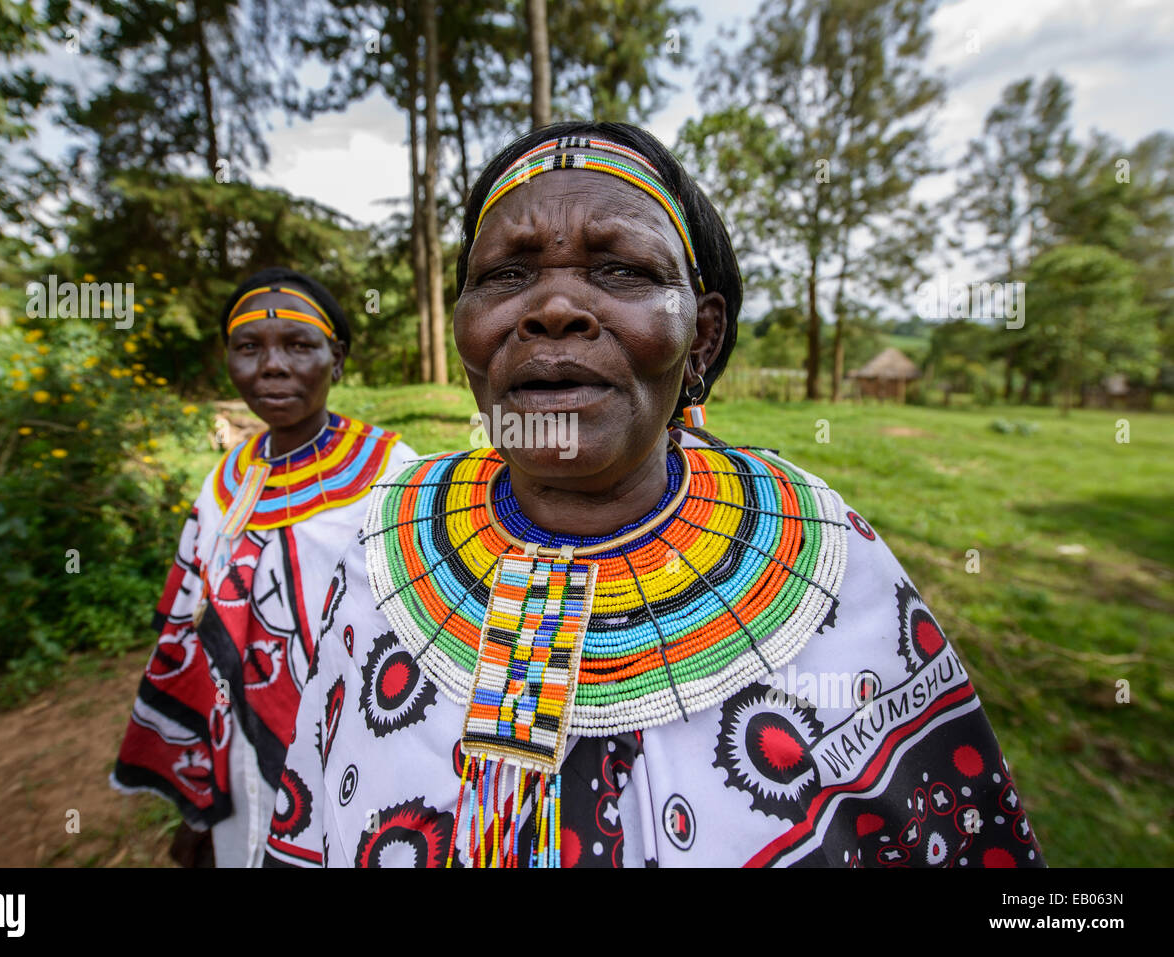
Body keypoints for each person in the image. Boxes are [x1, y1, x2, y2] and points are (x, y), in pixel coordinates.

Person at [261, 124, 1045, 868]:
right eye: (506, 274)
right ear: (465, 323)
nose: (553, 308)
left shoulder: (830, 567)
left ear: (701, 337)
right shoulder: (378, 555)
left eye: (621, 270)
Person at [111, 266, 415, 867]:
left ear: (338, 358)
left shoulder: (390, 471)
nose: (271, 366)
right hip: (239, 733)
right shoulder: (224, 483)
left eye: (299, 346)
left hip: (349, 729)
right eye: (249, 348)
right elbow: (193, 617)